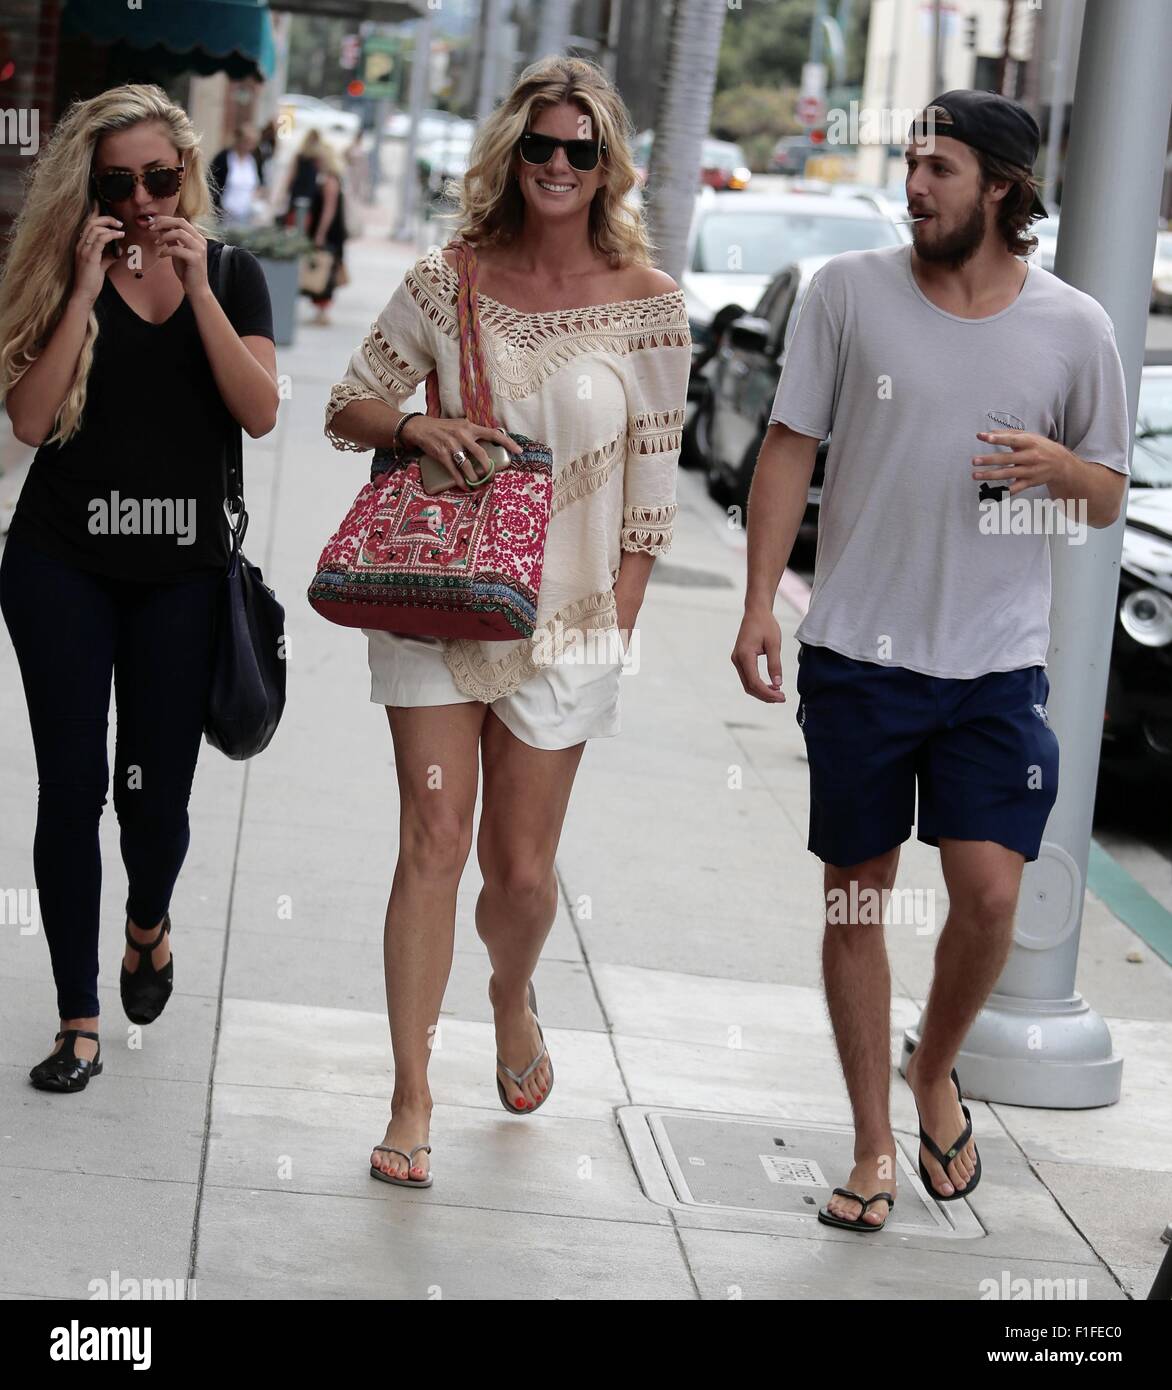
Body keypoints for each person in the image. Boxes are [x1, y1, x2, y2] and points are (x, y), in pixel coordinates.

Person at [731, 89, 1130, 1231]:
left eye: (938, 166)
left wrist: (1058, 465)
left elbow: (1104, 495)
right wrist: (760, 604)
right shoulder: (845, 294)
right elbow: (786, 447)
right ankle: (868, 1147)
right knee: (854, 903)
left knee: (991, 894)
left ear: (1001, 187)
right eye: (909, 161)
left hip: (996, 665)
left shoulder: (1073, 328)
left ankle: (930, 1066)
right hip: (857, 652)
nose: (913, 184)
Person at [323, 55, 690, 1188]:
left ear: (607, 165)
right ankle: (411, 1095)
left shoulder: (650, 304)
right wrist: (414, 430)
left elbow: (649, 494)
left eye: (582, 149)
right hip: (439, 604)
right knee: (431, 844)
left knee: (520, 877)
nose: (560, 165)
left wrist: (609, 636)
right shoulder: (450, 280)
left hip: (567, 620)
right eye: (541, 145)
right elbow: (347, 403)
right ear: (512, 154)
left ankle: (508, 996)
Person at [0, 83, 278, 1092]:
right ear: (91, 186)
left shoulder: (236, 275)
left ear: (188, 173)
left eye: (160, 177)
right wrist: (81, 290)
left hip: (181, 576)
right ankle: (78, 1018)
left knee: (150, 802)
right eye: (117, 182)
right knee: (70, 790)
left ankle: (147, 923)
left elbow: (258, 413)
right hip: (58, 565)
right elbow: (28, 425)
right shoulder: (55, 272)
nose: (143, 198)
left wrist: (195, 288)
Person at [302, 141, 348, 326]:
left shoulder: (330, 181)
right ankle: (321, 310)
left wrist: (320, 234)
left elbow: (329, 210)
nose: (315, 163)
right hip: (331, 232)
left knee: (325, 269)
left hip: (329, 234)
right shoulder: (330, 178)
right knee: (326, 268)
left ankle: (323, 310)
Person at [209, 122, 263, 226]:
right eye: (247, 141)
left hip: (247, 215)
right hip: (225, 214)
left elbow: (259, 182)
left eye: (253, 142)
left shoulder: (254, 160)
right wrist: (217, 209)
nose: (249, 146)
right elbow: (212, 183)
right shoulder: (223, 158)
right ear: (238, 140)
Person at [276, 128, 322, 230]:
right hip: (308, 194)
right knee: (302, 221)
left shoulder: (301, 156)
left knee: (295, 220)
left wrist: (284, 192)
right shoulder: (316, 158)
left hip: (298, 192)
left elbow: (291, 175)